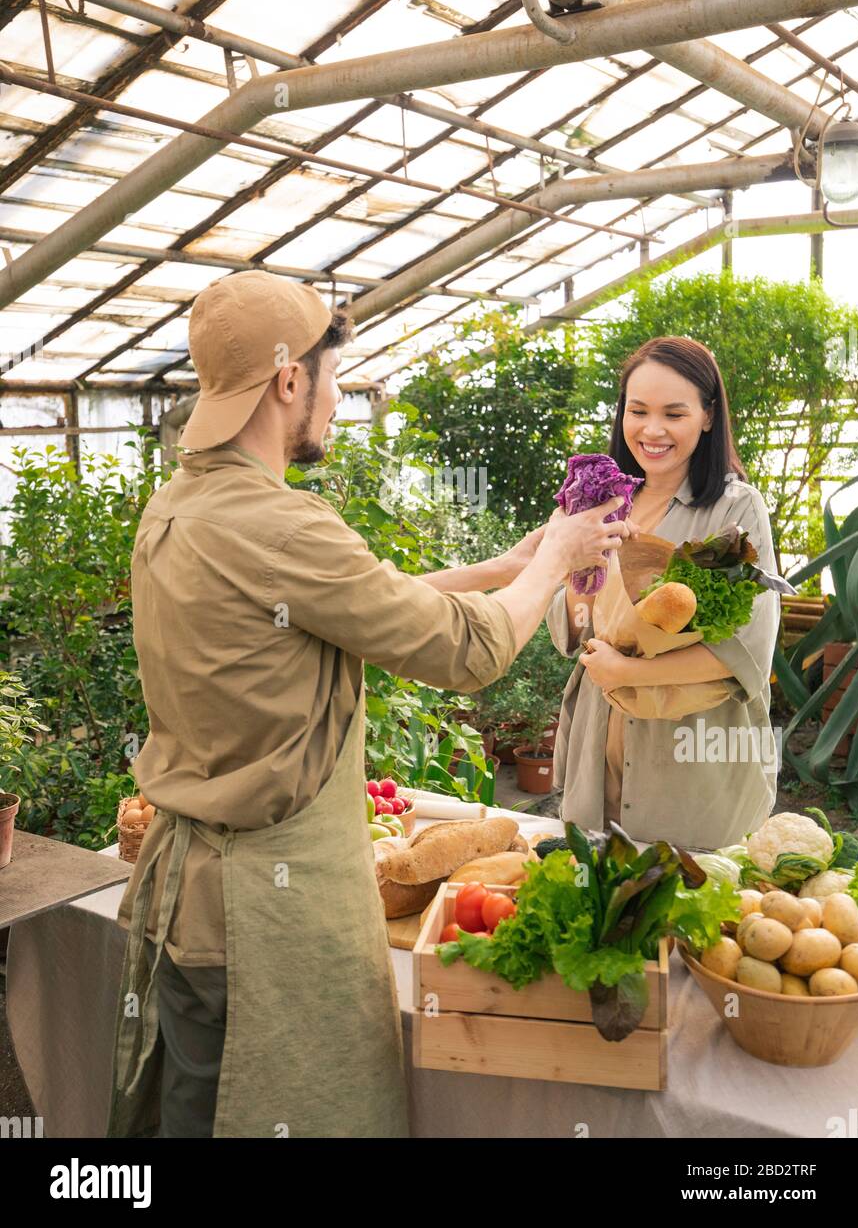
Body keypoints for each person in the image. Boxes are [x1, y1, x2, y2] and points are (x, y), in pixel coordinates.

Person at [106, 270, 630, 1140]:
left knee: (189, 1114)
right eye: (334, 377)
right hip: (262, 919)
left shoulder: (185, 505)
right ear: (287, 381)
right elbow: (467, 652)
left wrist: (505, 569)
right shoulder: (283, 524)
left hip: (190, 898)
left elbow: (343, 607)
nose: (340, 398)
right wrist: (559, 559)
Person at [547, 335, 781, 852]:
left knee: (693, 916)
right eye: (638, 411)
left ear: (707, 416)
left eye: (674, 414)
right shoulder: (599, 504)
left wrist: (631, 672)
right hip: (599, 748)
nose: (651, 431)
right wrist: (577, 567)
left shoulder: (734, 511)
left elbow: (748, 648)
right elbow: (572, 629)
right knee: (600, 906)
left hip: (694, 762)